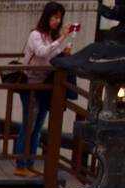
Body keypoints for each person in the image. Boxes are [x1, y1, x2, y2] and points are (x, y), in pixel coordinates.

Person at [14, 2, 76, 176]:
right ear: (47, 16)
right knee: (29, 125)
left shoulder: (51, 37)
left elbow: (52, 56)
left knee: (37, 127)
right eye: (55, 17)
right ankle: (20, 165)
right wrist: (62, 38)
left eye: (59, 18)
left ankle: (30, 163)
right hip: (30, 84)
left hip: (43, 85)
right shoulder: (36, 35)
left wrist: (64, 51)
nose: (58, 21)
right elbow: (41, 52)